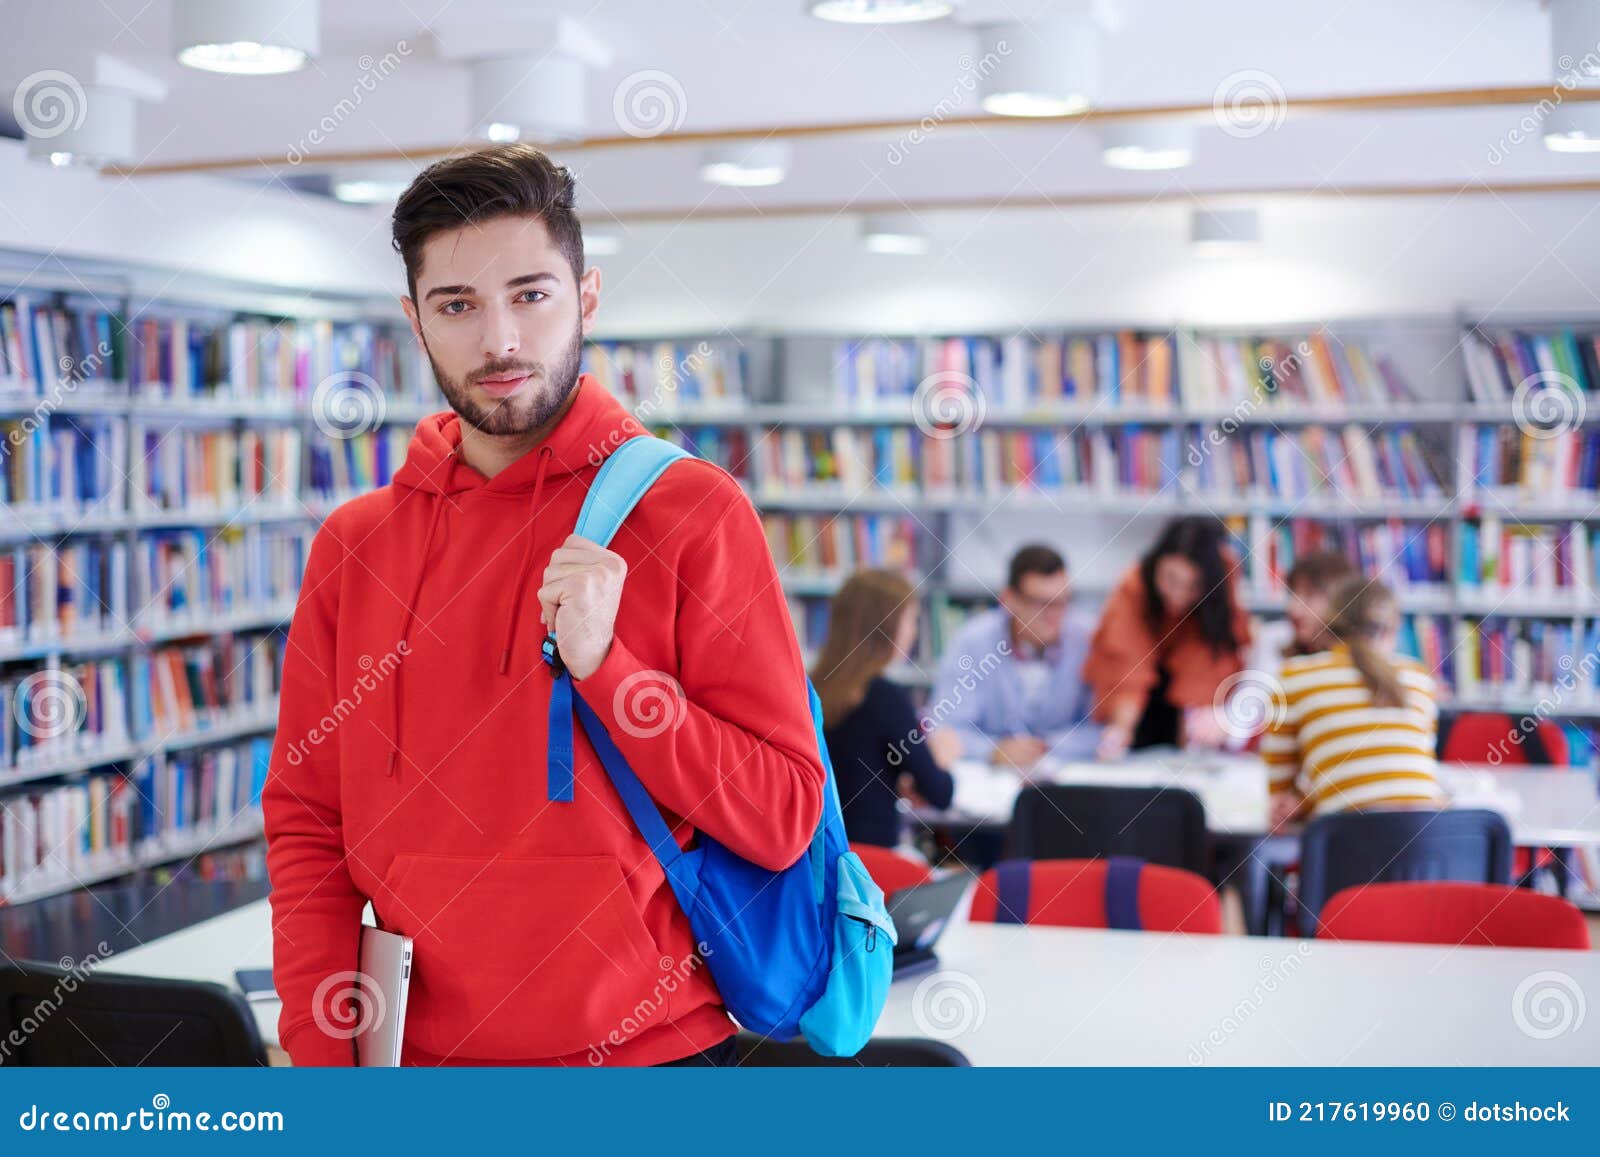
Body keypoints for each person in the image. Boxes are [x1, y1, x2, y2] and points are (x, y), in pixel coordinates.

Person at [262, 143, 825, 1068]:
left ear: (587, 298)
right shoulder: (355, 544)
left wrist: (611, 672)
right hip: (418, 1066)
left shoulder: (693, 511)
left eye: (530, 294)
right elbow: (307, 824)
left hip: (649, 1062)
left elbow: (781, 812)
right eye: (457, 305)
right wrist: (326, 1063)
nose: (501, 342)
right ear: (414, 320)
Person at [1261, 577, 1443, 826]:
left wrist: (1307, 800)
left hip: (1346, 843)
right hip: (1430, 838)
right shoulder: (1419, 678)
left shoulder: (1294, 677)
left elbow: (1280, 796)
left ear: (1326, 625)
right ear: (1393, 629)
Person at [1083, 516, 1252, 757]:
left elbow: (1207, 667)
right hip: (1142, 699)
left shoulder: (1223, 580)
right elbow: (1125, 662)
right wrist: (1120, 731)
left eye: (1192, 585)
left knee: (1195, 739)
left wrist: (1193, 744)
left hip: (1190, 697)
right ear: (1157, 563)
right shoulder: (1133, 585)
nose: (1178, 595)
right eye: (1170, 579)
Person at [812, 569, 955, 848]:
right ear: (886, 627)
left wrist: (895, 777)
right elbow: (940, 793)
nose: (914, 632)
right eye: (910, 620)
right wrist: (942, 756)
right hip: (871, 861)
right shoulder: (886, 698)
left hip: (820, 854)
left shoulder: (811, 689)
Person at [928, 544, 1101, 771]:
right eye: (1041, 603)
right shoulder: (972, 642)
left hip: (1067, 774)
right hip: (989, 776)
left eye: (1061, 602)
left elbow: (1106, 730)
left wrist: (1047, 746)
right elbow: (945, 728)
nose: (1053, 615)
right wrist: (993, 750)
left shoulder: (1087, 640)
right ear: (1008, 600)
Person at [1249, 549, 1358, 679]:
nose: (1293, 609)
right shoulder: (1273, 642)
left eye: (1309, 595)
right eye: (1292, 594)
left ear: (1341, 601)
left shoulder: (1358, 662)